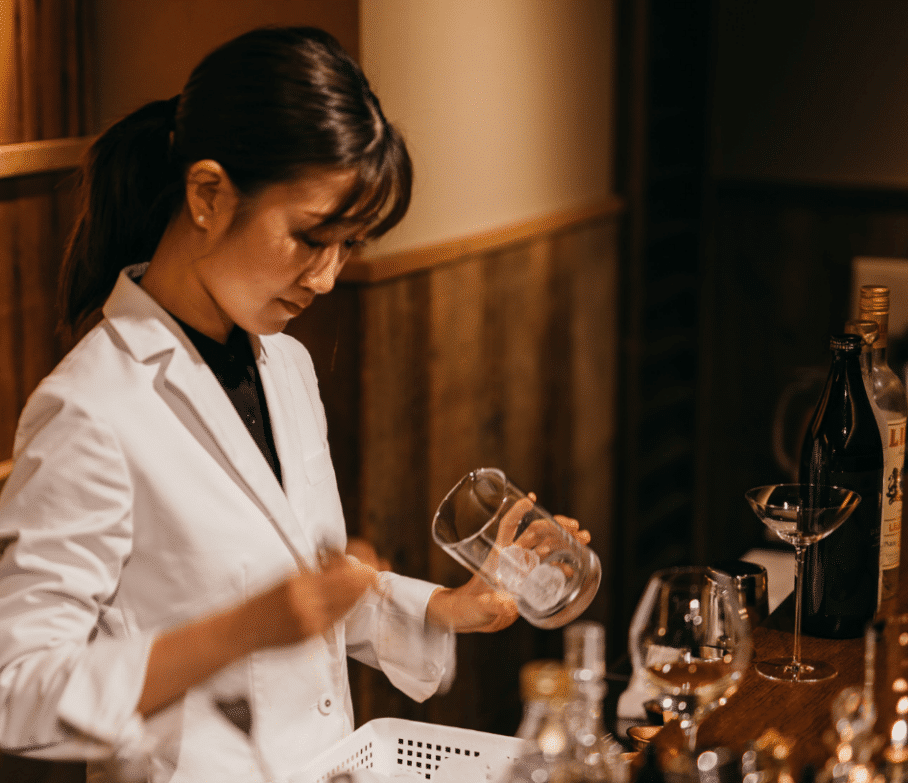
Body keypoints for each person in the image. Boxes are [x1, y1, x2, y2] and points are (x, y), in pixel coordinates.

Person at [0, 26, 590, 783]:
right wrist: (238, 632)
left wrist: (444, 607)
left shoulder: (284, 360)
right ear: (208, 193)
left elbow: (298, 584)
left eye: (350, 246)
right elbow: (17, 686)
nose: (327, 277)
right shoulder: (90, 407)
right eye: (312, 237)